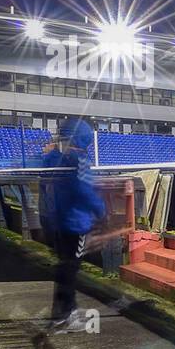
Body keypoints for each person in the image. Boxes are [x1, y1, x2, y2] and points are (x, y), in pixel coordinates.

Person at [46, 119, 106, 334]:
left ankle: (64, 314)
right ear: (86, 139)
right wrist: (100, 210)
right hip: (76, 222)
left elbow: (46, 169)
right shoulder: (80, 160)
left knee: (65, 267)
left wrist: (51, 152)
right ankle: (63, 317)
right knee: (70, 269)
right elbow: (85, 190)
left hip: (59, 221)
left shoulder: (59, 159)